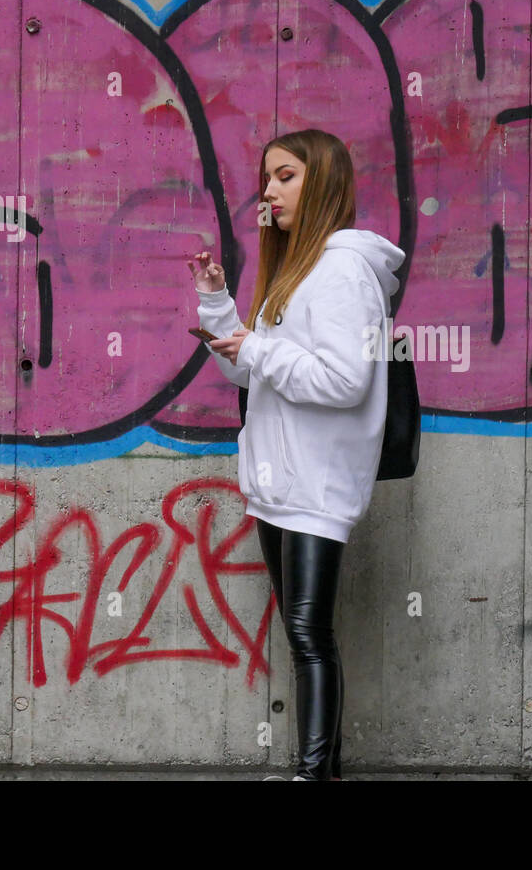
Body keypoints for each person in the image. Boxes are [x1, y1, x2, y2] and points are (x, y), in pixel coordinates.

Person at [188, 129, 405, 780]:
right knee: (304, 634)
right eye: (267, 178)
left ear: (324, 183)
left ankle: (316, 774)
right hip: (282, 482)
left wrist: (255, 348)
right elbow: (255, 377)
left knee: (310, 635)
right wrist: (216, 303)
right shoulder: (297, 270)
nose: (269, 190)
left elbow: (345, 382)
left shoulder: (342, 272)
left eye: (285, 176)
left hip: (318, 481)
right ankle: (321, 770)